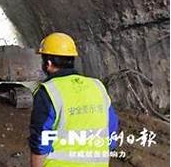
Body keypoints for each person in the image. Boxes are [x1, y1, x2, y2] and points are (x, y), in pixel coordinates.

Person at [29, 32, 119, 167]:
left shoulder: (48, 91)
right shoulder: (97, 86)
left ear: (48, 63)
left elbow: (41, 140)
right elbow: (112, 131)